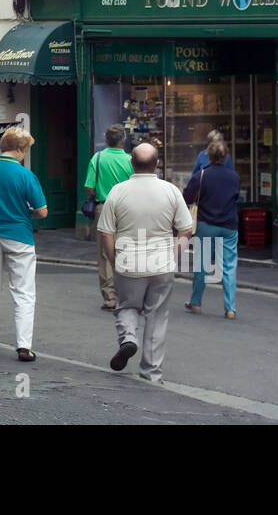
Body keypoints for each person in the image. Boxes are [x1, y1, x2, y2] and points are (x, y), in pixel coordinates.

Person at [97, 142, 194, 383]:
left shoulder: (118, 192)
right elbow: (186, 229)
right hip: (162, 264)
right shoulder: (171, 191)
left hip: (128, 261)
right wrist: (174, 256)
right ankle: (151, 372)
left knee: (127, 306)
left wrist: (113, 259)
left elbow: (106, 233)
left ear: (131, 163)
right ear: (157, 164)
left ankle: (129, 337)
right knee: (157, 316)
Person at [0, 127, 48, 362]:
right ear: (21, 150)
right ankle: (23, 346)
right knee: (23, 291)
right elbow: (42, 212)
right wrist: (25, 212)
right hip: (20, 235)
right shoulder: (26, 175)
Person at [182, 138, 241, 319]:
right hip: (229, 225)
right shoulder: (234, 177)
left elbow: (188, 196)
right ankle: (230, 308)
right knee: (229, 266)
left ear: (208, 155)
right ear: (225, 157)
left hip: (207, 223)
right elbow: (236, 198)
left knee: (202, 264)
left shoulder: (201, 175)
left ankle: (196, 302)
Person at [84, 124, 134, 312]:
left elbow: (89, 187)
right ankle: (127, 294)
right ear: (124, 140)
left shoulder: (97, 158)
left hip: (104, 207)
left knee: (105, 254)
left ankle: (110, 297)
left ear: (107, 140)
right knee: (127, 249)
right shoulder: (131, 160)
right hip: (128, 208)